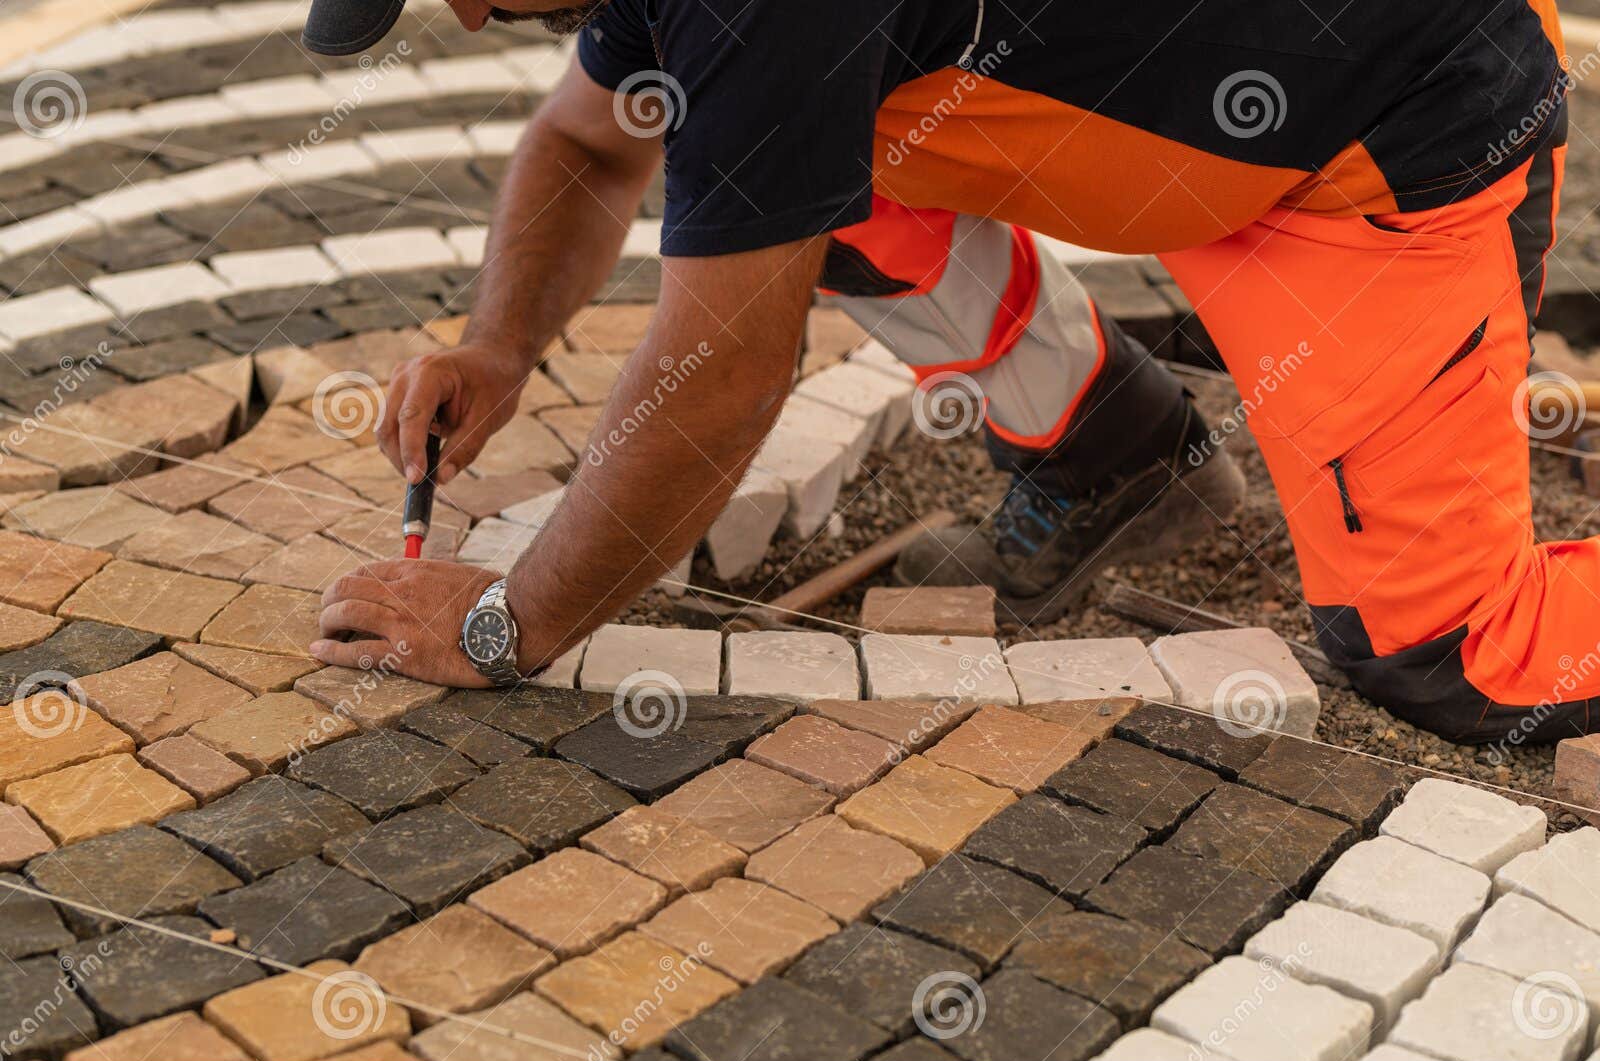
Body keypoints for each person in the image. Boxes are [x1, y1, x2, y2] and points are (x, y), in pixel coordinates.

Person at [305, 0, 1589, 745]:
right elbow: (588, 144)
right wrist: (500, 343)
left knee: (1460, 655)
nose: (465, 11)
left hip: (1366, 166)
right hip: (1175, 140)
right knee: (792, 182)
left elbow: (725, 371)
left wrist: (507, 622)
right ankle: (1113, 452)